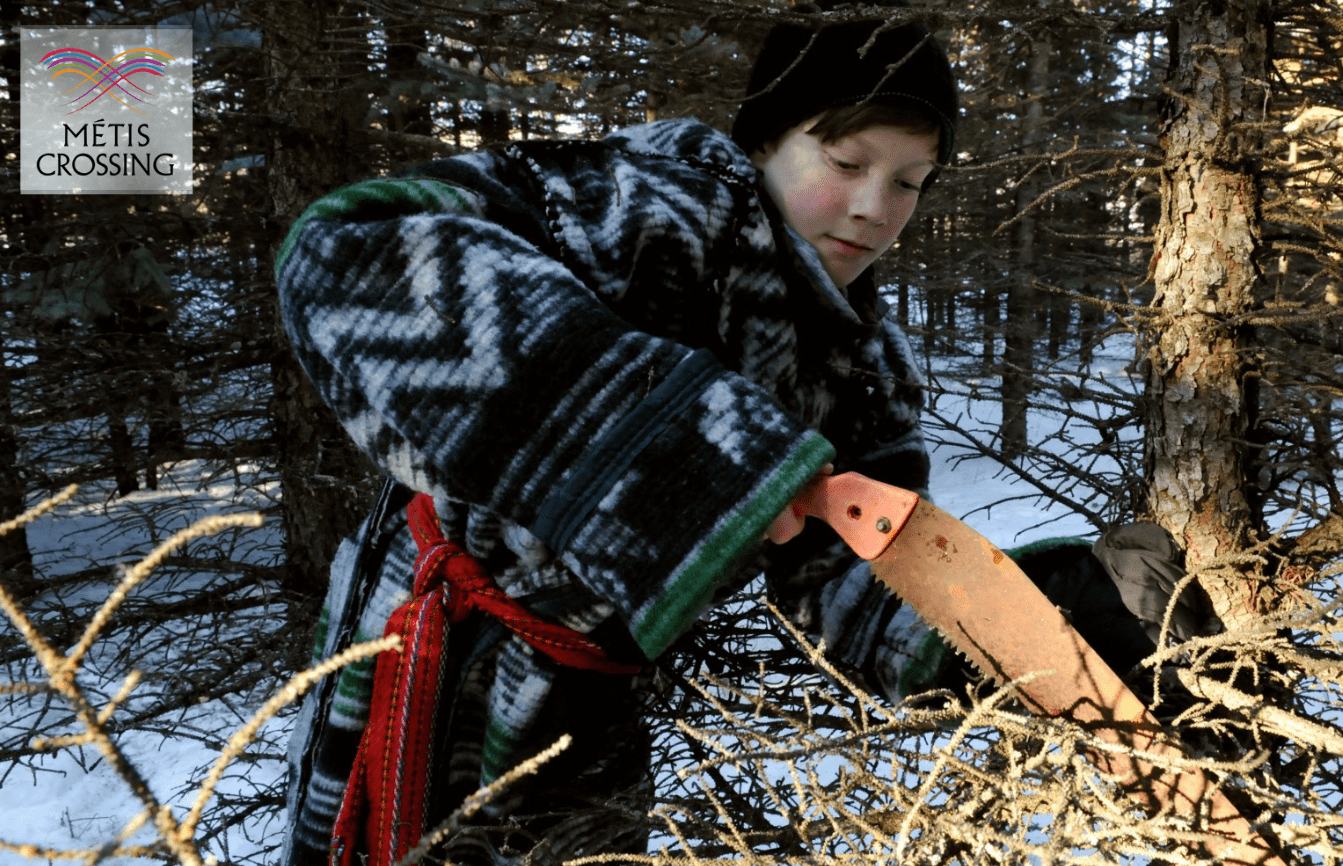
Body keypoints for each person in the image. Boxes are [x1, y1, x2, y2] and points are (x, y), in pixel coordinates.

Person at [273, 4, 1216, 865]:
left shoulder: (861, 362)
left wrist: (1045, 628)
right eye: (845, 163)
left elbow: (846, 575)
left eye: (909, 183)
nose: (875, 207)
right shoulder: (644, 209)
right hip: (433, 654)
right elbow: (347, 249)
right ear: (765, 139)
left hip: (592, 703)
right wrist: (694, 454)